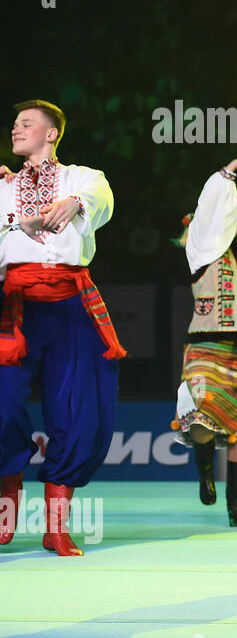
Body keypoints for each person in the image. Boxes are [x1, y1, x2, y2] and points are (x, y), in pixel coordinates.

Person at [0, 99, 124, 556]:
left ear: (51, 133)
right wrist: (16, 220)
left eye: (26, 124)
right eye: (14, 124)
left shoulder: (82, 177)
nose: (16, 130)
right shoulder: (3, 186)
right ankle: (5, 507)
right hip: (12, 304)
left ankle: (56, 526)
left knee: (78, 408)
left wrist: (75, 202)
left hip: (72, 303)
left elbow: (101, 198)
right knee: (3, 402)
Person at [173, 159, 237, 527]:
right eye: (234, 211)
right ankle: (204, 477)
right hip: (205, 345)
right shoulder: (203, 251)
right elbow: (211, 209)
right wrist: (228, 171)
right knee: (203, 412)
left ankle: (236, 507)